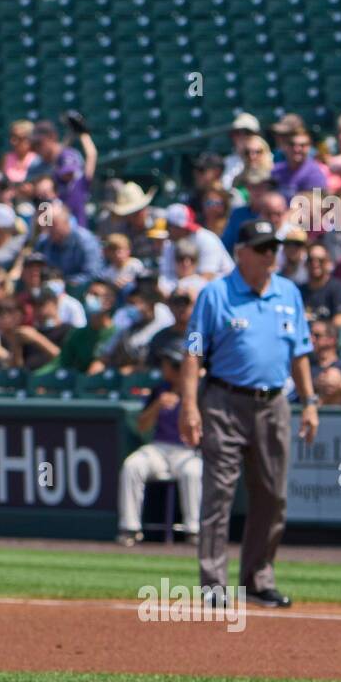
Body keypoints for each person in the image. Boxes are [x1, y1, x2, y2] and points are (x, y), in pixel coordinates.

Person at [179, 219, 318, 610]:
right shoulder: (215, 294)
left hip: (274, 402)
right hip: (224, 400)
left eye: (273, 248)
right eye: (261, 248)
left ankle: (258, 579)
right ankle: (213, 585)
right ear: (240, 253)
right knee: (218, 495)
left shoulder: (289, 292)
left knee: (273, 496)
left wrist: (309, 402)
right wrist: (189, 406)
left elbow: (301, 352)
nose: (270, 255)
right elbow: (192, 352)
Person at [116, 341, 202, 547]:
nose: (163, 368)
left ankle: (194, 531)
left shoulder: (200, 392)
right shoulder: (159, 390)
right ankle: (129, 527)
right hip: (159, 449)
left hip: (188, 451)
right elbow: (141, 427)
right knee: (132, 465)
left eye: (167, 364)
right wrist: (157, 405)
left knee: (193, 472)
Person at [35, 279, 116, 375]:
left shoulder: (117, 335)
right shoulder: (77, 334)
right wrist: (35, 378)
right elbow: (59, 362)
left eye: (95, 295)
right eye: (88, 293)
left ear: (109, 301)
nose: (89, 298)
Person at [28, 120, 90, 222]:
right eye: (34, 144)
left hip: (71, 208)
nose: (37, 148)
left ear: (52, 137)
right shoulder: (35, 164)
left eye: (39, 143)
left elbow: (70, 174)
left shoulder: (69, 155)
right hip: (46, 211)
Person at [33, 199, 103, 287]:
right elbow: (34, 269)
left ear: (66, 222)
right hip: (48, 290)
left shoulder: (86, 241)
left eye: (53, 224)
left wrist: (64, 283)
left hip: (78, 291)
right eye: (47, 224)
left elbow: (93, 275)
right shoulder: (43, 242)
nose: (49, 229)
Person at [159, 203, 234, 281]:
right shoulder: (170, 243)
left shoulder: (207, 240)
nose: (167, 230)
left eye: (169, 226)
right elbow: (166, 275)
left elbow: (207, 277)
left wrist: (179, 287)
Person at [300, 242, 341, 329]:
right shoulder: (298, 291)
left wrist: (316, 327)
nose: (315, 264)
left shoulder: (338, 288)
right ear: (305, 264)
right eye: (311, 260)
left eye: (320, 260)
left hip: (328, 340)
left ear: (328, 263)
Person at [306, 321, 341, 405]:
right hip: (311, 411)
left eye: (317, 336)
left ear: (331, 340)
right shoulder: (306, 365)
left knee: (333, 375)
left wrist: (333, 384)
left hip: (337, 415)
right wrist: (317, 382)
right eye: (310, 335)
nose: (311, 339)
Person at [269, 128, 329, 199]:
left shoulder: (315, 174)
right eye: (292, 144)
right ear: (285, 146)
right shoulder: (276, 170)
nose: (296, 149)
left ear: (309, 147)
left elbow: (316, 204)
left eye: (302, 145)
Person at [220, 113, 263, 188]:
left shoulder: (269, 159)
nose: (242, 137)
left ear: (257, 136)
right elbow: (226, 188)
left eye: (247, 132)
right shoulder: (227, 162)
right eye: (237, 133)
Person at [0, 119, 38, 184]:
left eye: (18, 138)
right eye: (11, 137)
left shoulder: (38, 158)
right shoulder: (5, 158)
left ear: (29, 139)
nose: (12, 142)